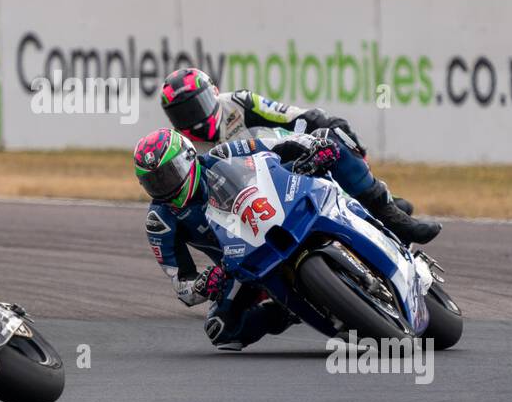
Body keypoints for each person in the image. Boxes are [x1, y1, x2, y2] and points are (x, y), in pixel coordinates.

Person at [132, 126, 436, 350]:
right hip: (241, 263)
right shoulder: (160, 221)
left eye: (168, 174)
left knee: (331, 139)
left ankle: (393, 221)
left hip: (280, 211)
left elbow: (279, 145)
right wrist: (203, 284)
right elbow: (182, 286)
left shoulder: (222, 154)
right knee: (220, 330)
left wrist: (313, 147)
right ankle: (284, 311)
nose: (163, 186)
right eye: (153, 181)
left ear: (187, 158)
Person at [157, 64, 424, 220]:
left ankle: (376, 203)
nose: (194, 120)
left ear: (214, 93)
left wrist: (321, 123)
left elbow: (290, 115)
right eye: (183, 114)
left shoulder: (239, 101)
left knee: (330, 130)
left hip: (282, 166)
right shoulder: (184, 149)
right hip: (243, 203)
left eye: (197, 107)